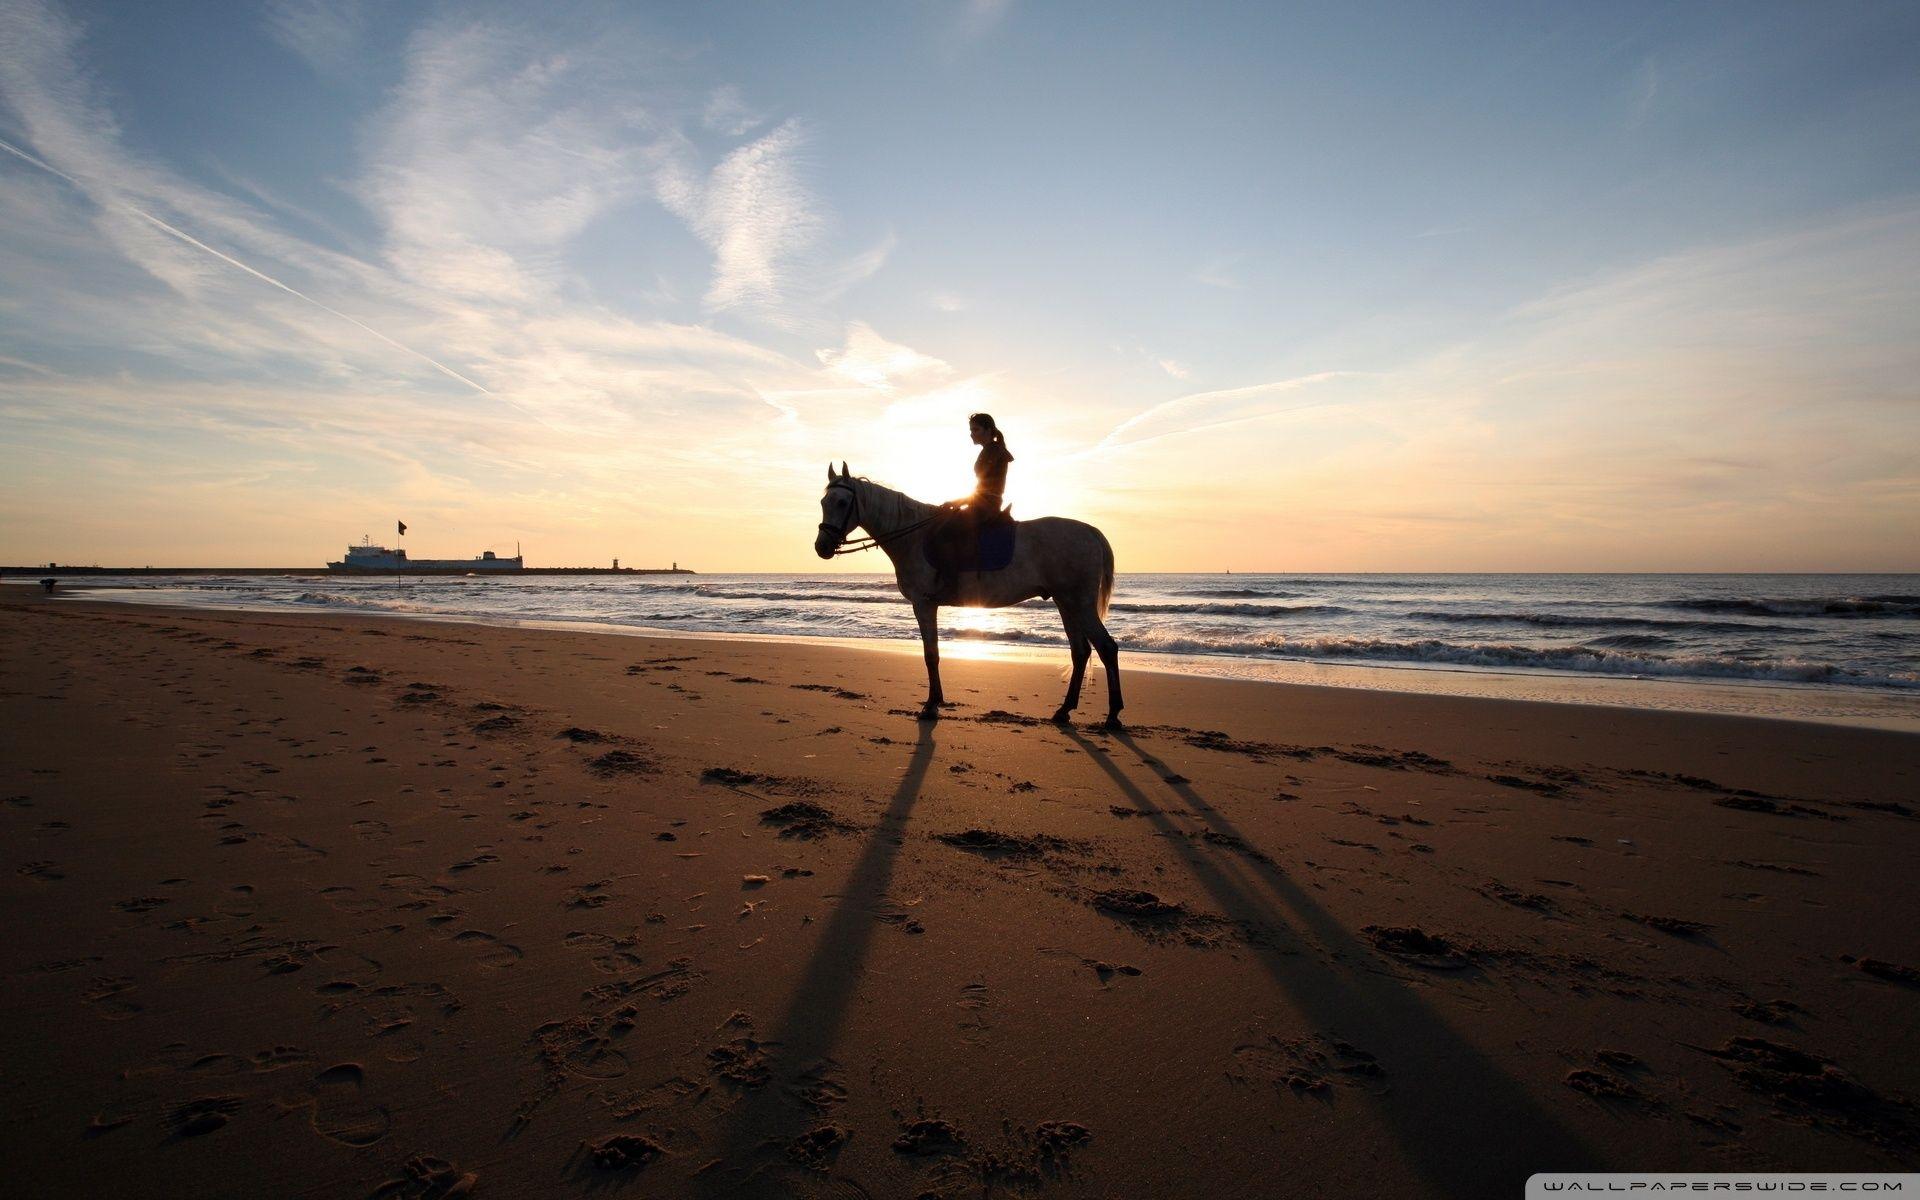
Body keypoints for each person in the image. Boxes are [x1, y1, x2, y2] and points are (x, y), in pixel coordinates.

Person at [932, 413, 1013, 599]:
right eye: (971, 430)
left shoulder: (993, 450)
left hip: (985, 506)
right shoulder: (992, 449)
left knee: (943, 534)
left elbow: (983, 489)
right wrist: (959, 502)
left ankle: (951, 587)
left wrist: (957, 502)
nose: (972, 434)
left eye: (975, 430)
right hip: (984, 502)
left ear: (989, 430)